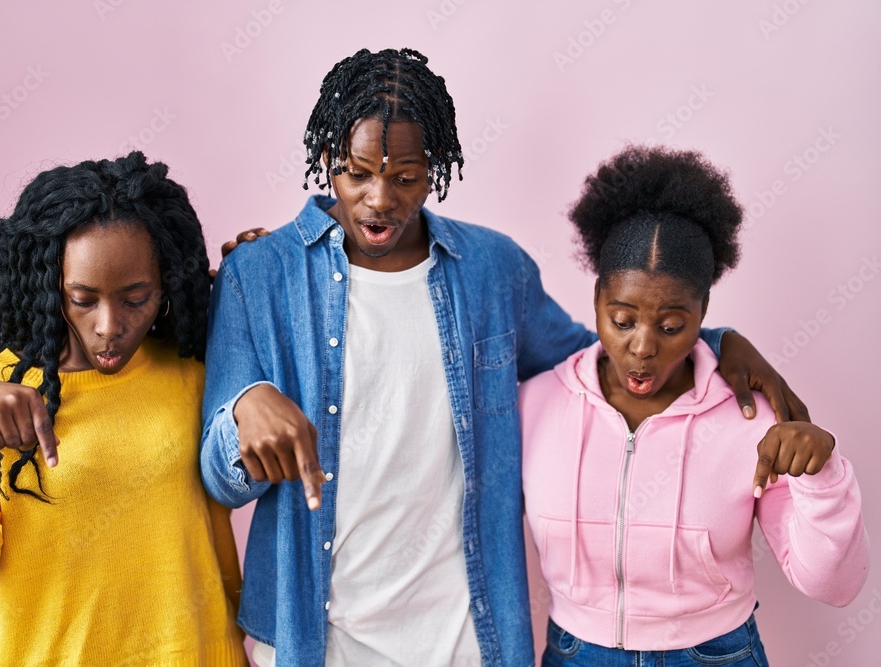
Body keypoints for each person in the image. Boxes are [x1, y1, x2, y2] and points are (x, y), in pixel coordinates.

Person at [200, 48, 808, 667]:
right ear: (327, 161)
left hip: (466, 635)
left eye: (404, 178)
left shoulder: (493, 269)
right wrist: (247, 408)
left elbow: (599, 366)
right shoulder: (258, 274)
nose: (379, 200)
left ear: (435, 169)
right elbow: (217, 481)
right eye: (356, 174)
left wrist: (716, 340)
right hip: (311, 635)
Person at [520, 145, 870, 666]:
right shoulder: (535, 403)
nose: (642, 347)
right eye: (621, 320)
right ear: (596, 300)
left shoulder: (750, 416)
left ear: (703, 311)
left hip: (715, 654)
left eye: (670, 326)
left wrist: (822, 476)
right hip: (575, 653)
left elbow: (833, 585)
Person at [0, 152, 249, 666]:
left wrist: (263, 283)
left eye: (136, 298)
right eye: (83, 299)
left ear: (168, 286)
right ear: (51, 289)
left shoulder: (195, 370)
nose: (109, 326)